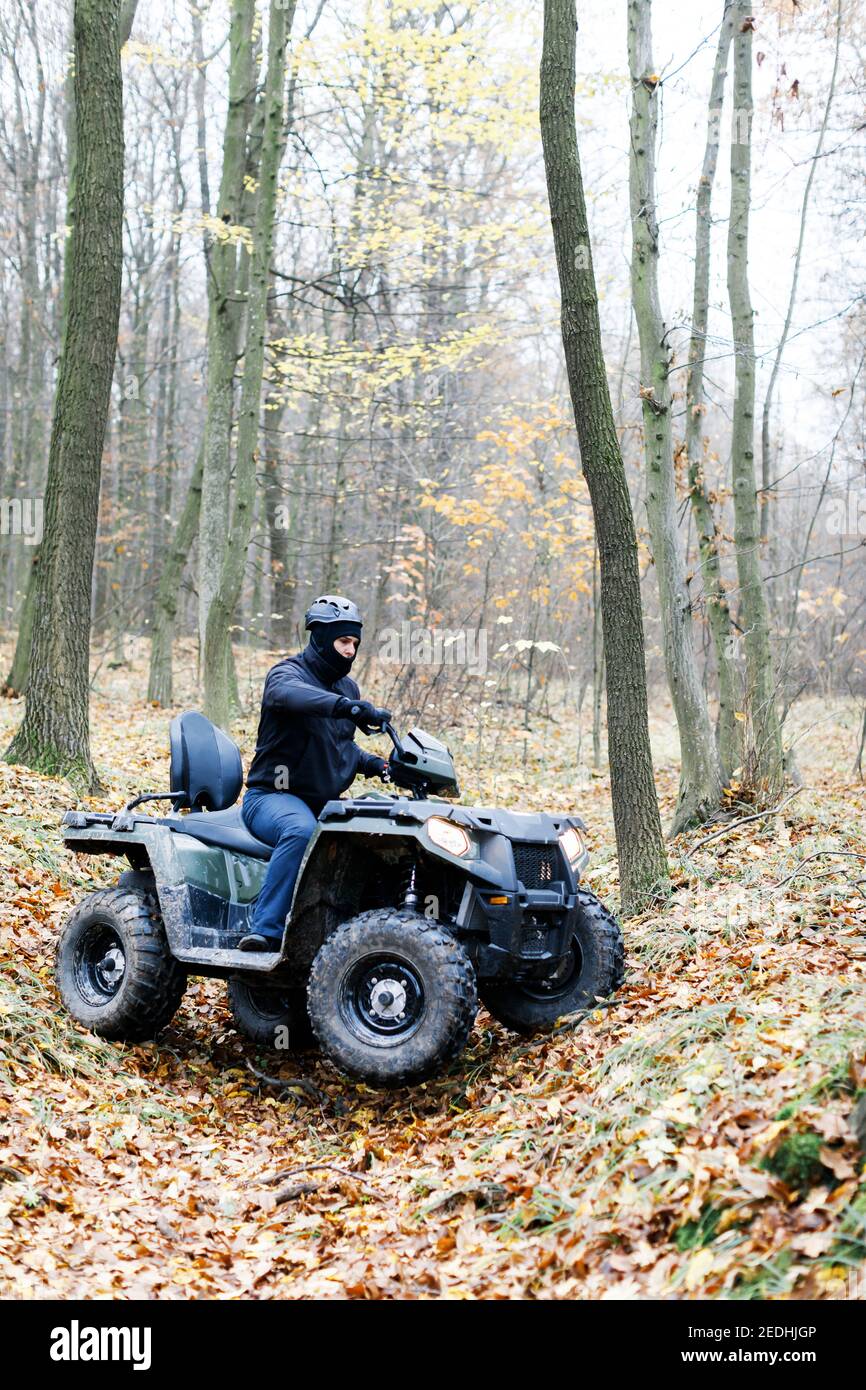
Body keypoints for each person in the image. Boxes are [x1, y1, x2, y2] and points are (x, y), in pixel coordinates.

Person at [238, 595, 394, 952]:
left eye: (355, 643)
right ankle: (266, 930)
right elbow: (292, 697)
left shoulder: (347, 689)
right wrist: (346, 707)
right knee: (299, 829)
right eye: (343, 641)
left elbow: (340, 746)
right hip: (272, 797)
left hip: (325, 803)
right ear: (321, 638)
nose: (350, 651)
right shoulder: (286, 675)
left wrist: (378, 765)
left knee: (378, 826)